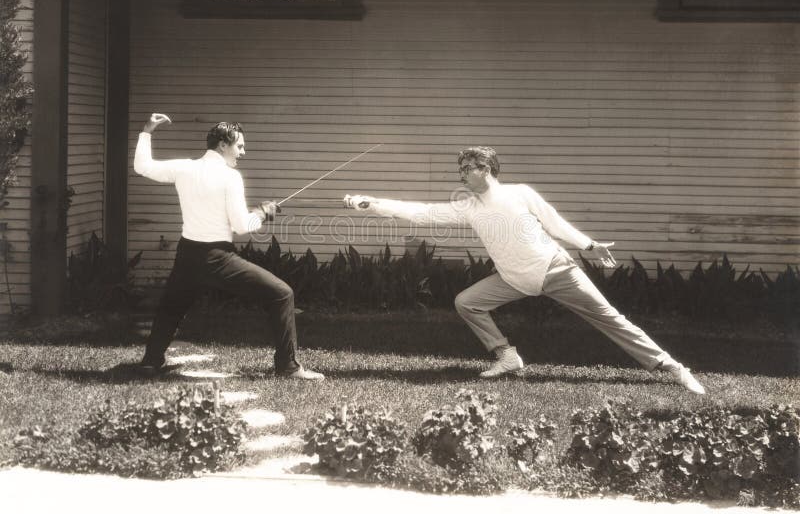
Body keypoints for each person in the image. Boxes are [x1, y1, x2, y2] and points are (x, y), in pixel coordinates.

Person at [343, 146, 705, 394]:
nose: (466, 173)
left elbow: (555, 223)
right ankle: (507, 356)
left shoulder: (520, 193)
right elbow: (422, 213)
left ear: (488, 169)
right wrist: (374, 204)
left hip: (556, 270)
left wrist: (588, 245)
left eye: (472, 167)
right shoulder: (467, 207)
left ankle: (670, 367)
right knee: (467, 302)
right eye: (462, 169)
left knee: (610, 318)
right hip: (513, 280)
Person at [133, 113, 323, 380]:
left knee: (171, 307)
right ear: (223, 145)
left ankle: (151, 362)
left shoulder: (184, 168)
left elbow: (142, 167)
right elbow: (242, 225)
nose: (243, 152)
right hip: (217, 257)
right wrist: (263, 212)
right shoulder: (230, 177)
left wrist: (147, 130)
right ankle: (288, 367)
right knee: (282, 294)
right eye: (240, 146)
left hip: (187, 254)